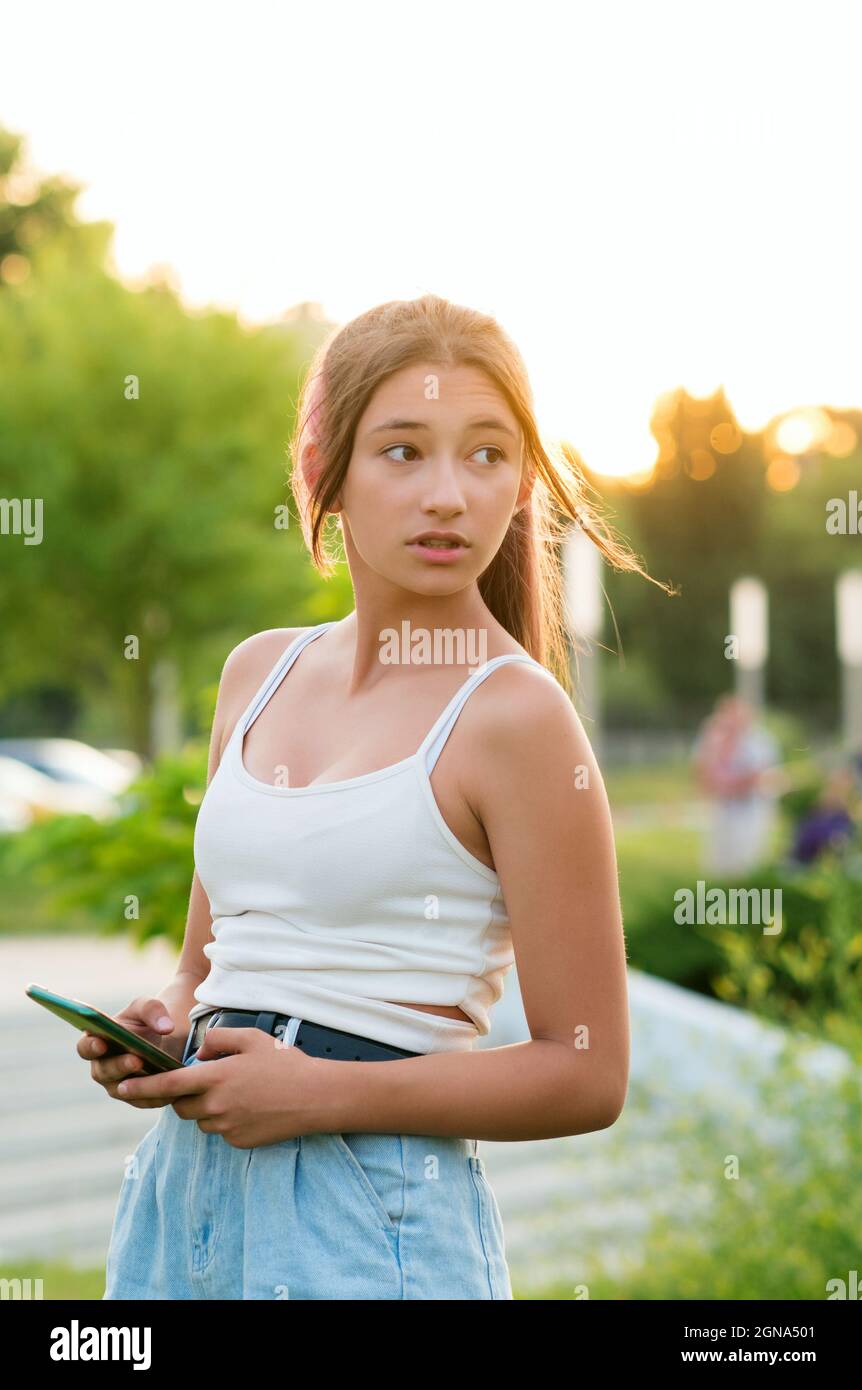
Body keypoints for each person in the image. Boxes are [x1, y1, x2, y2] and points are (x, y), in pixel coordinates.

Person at [84, 293, 658, 1301]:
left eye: (485, 453)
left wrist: (314, 1095)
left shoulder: (514, 718)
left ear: (522, 480)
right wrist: (158, 1032)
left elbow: (586, 1072)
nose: (449, 494)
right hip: (184, 1203)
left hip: (367, 1217)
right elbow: (202, 969)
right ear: (324, 473)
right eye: (403, 451)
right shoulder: (255, 672)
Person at [692, 694, 782, 875]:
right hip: (721, 810)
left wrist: (730, 784)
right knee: (718, 865)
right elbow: (702, 773)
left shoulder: (760, 742)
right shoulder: (713, 739)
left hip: (750, 812)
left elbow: (760, 778)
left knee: (747, 864)